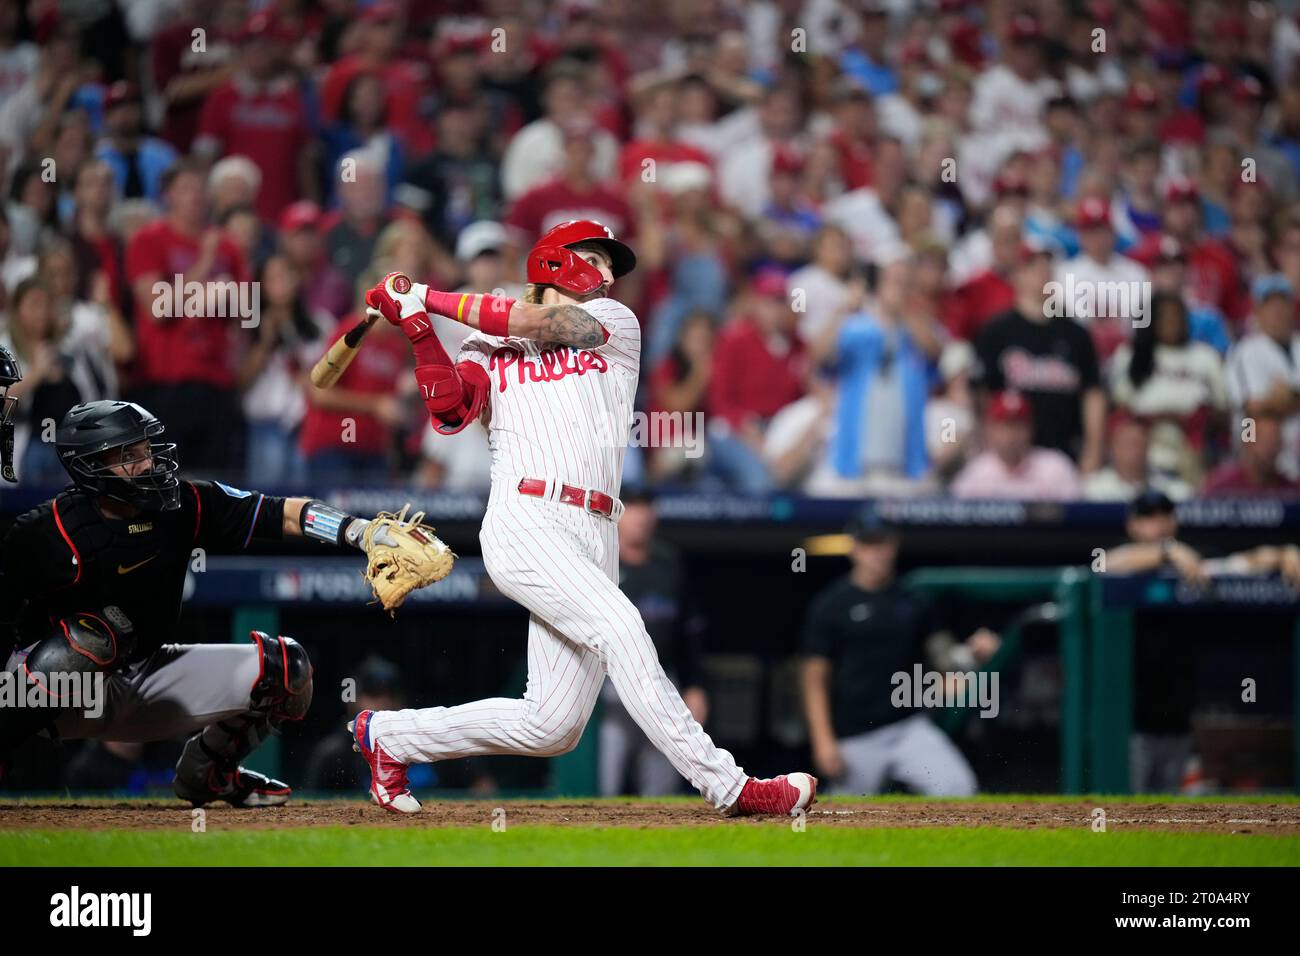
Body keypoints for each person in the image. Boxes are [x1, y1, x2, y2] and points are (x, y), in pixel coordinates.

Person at [352, 218, 816, 817]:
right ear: (554, 262)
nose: (605, 274)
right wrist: (418, 326)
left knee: (553, 725)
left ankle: (390, 737)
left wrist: (426, 299)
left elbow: (547, 323)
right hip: (526, 518)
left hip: (598, 530)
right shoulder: (483, 345)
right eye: (595, 260)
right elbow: (450, 411)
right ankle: (730, 787)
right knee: (624, 631)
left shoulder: (614, 323)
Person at [0, 400, 417, 802]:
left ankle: (208, 773)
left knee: (287, 670)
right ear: (90, 465)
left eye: (145, 448)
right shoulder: (43, 531)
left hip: (143, 679)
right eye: (128, 454)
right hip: (52, 697)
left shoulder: (182, 503)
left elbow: (282, 513)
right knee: (90, 639)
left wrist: (359, 532)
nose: (146, 462)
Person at [800, 505, 999, 797]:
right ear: (854, 548)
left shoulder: (914, 600)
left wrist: (972, 653)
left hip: (908, 727)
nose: (877, 551)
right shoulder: (831, 604)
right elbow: (813, 678)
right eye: (869, 543)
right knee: (840, 817)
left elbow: (944, 661)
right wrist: (822, 740)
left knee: (958, 787)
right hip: (855, 735)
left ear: (894, 544)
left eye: (884, 542)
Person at [599, 490, 709, 797]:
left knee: (661, 787)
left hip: (660, 685)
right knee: (603, 783)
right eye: (632, 508)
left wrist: (695, 685)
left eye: (645, 509)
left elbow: (690, 633)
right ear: (617, 515)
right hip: (609, 688)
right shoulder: (600, 561)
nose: (639, 517)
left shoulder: (669, 564)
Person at [952, 390, 1082, 500]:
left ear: (1031, 428)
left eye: (1018, 425)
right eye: (1004, 425)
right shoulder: (976, 472)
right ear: (990, 429)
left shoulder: (1055, 467)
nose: (1011, 434)